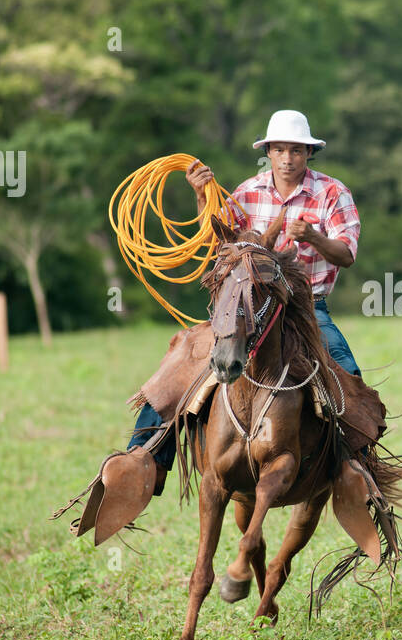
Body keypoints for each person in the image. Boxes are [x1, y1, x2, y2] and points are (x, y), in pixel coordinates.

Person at [126, 109, 363, 492]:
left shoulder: (333, 194)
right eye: (280, 149)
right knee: (180, 362)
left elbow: (346, 254)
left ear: (309, 153)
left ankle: (355, 473)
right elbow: (218, 244)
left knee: (346, 371)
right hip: (246, 306)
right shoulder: (246, 191)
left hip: (306, 307)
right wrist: (203, 197)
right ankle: (144, 459)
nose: (288, 158)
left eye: (297, 151)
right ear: (268, 151)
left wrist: (315, 238)